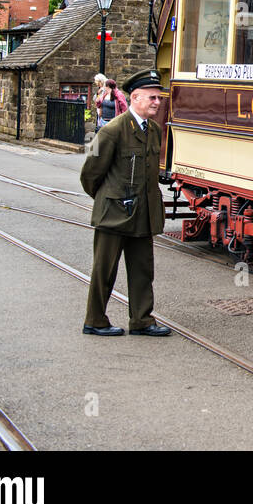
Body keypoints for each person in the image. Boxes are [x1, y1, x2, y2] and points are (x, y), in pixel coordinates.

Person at [80, 68, 171, 337]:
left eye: (159, 98)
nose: (157, 102)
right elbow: (89, 173)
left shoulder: (153, 131)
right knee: (104, 271)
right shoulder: (112, 130)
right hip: (114, 213)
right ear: (135, 98)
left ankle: (142, 320)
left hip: (143, 213)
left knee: (143, 270)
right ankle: (95, 320)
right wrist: (109, 198)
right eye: (152, 98)